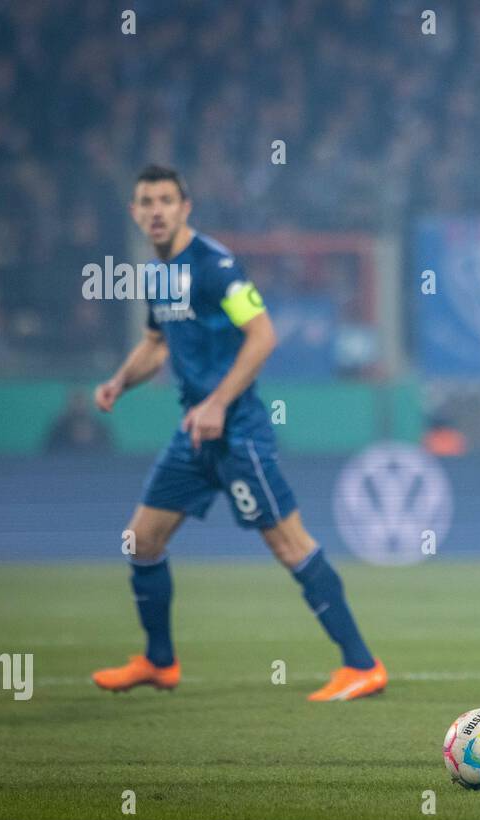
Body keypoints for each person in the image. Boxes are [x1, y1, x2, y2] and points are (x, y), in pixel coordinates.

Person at [91, 165, 385, 701]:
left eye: (165, 200)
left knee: (290, 545)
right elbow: (156, 343)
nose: (156, 210)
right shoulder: (157, 274)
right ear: (134, 213)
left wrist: (219, 402)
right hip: (193, 434)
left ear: (186, 207)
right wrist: (119, 382)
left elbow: (263, 334)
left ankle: (362, 665)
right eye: (145, 201)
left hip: (238, 431)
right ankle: (159, 661)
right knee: (141, 540)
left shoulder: (217, 266)